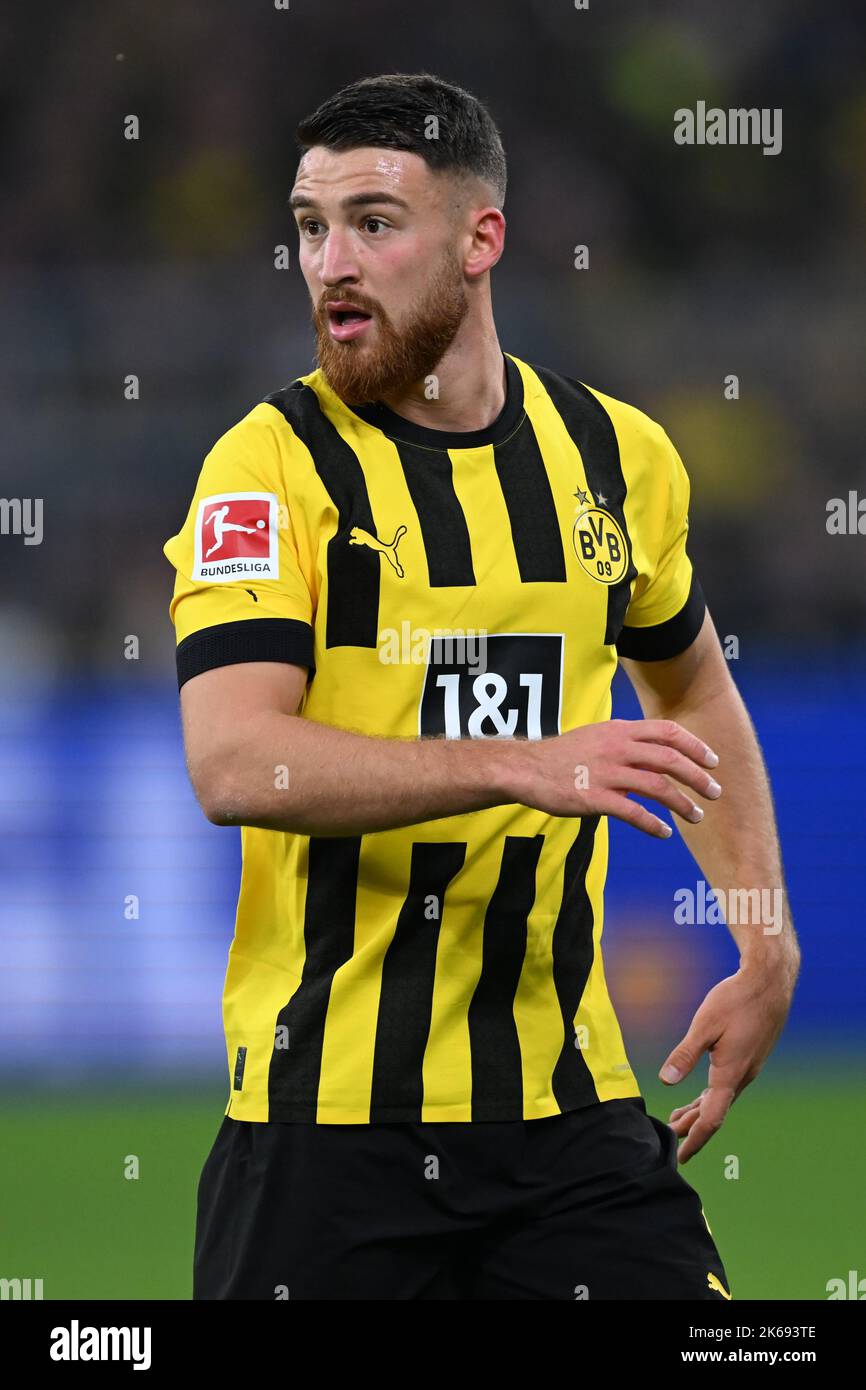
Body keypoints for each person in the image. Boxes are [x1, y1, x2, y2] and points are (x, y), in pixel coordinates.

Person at [163, 72, 800, 1301]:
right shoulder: (266, 468)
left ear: (479, 238)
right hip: (324, 1127)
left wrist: (763, 936)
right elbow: (234, 760)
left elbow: (692, 693)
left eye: (373, 221)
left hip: (567, 1116)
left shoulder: (614, 456)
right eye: (308, 225)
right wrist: (525, 761)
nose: (329, 262)